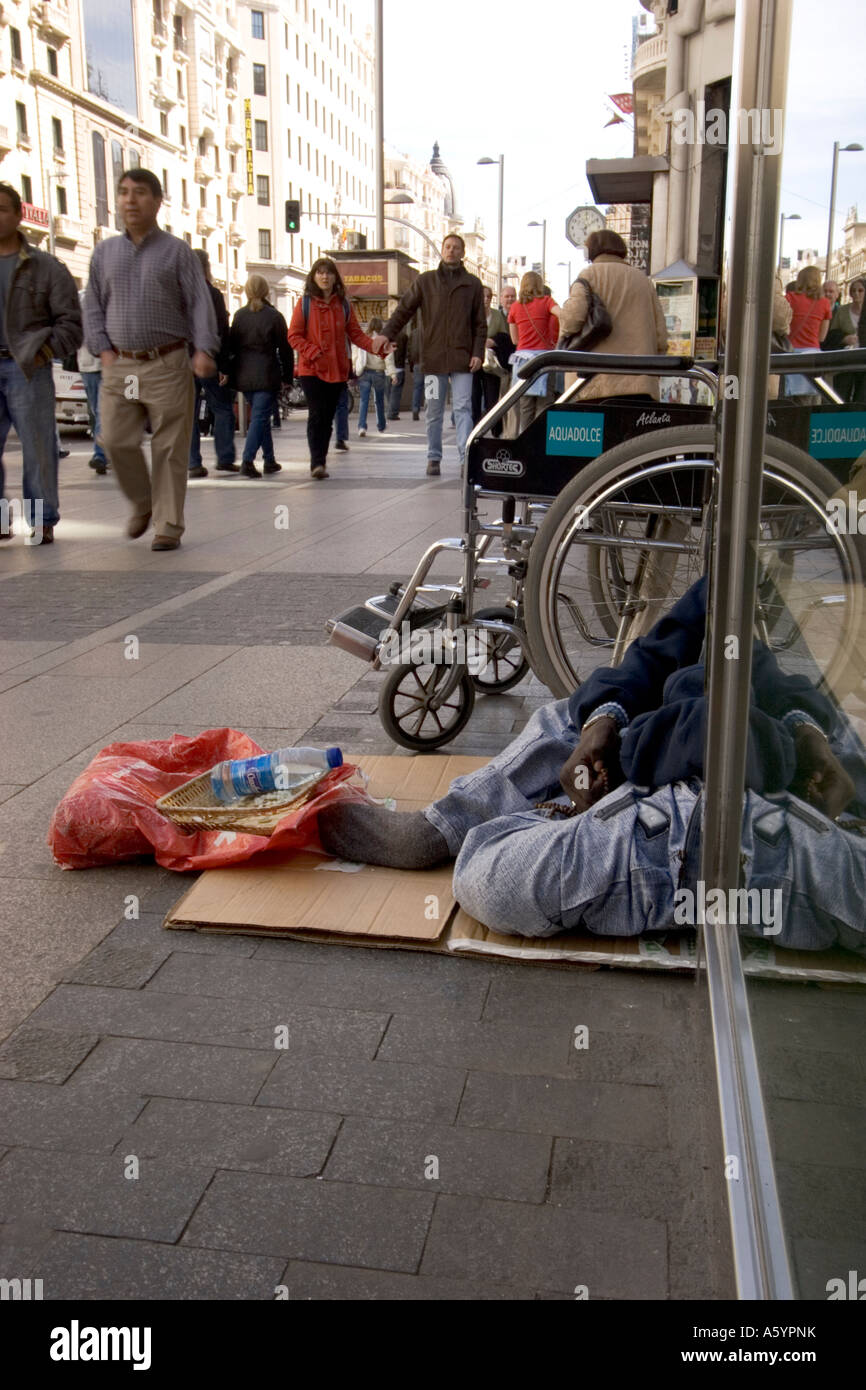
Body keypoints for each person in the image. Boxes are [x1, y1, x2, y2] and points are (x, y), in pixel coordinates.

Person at [318, 576, 866, 952]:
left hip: (657, 826)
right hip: (765, 831)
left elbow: (655, 657)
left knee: (569, 719)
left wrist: (598, 729)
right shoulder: (745, 652)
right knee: (781, 697)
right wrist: (805, 729)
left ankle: (442, 827)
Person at [84, 168, 219, 551]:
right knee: (115, 439)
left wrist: (203, 349)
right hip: (122, 365)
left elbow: (198, 304)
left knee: (170, 447)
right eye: (123, 192)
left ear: (157, 201)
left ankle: (168, 525)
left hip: (166, 363)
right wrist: (104, 350)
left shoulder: (176, 252)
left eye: (139, 192)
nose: (129, 200)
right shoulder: (104, 253)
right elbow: (92, 306)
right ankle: (144, 502)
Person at [0, 181, 81, 545]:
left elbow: (71, 324)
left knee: (38, 449)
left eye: (2, 209)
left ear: (18, 215)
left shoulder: (46, 267)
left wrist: (42, 354)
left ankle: (40, 519)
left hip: (26, 369)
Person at [381, 234, 486, 477]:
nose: (451, 251)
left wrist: (478, 353)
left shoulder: (472, 284)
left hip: (462, 359)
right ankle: (433, 457)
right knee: (434, 411)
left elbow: (480, 324)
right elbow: (404, 310)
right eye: (447, 247)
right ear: (442, 250)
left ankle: (464, 459)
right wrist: (387, 334)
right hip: (432, 360)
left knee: (463, 408)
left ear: (462, 253)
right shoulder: (425, 281)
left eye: (456, 248)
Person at [287, 258, 387, 480]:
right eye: (320, 273)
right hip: (311, 370)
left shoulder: (343, 304)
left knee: (328, 415)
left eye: (329, 273)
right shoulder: (304, 303)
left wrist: (376, 346)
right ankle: (317, 462)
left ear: (335, 277)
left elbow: (356, 335)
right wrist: (312, 352)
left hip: (336, 369)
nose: (325, 277)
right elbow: (293, 335)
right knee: (317, 414)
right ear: (314, 277)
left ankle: (320, 459)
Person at [557, 229, 667, 403]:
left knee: (589, 429)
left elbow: (572, 321)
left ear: (591, 250)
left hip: (592, 383)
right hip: (639, 384)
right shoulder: (643, 280)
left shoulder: (589, 275)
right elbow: (661, 336)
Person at [227, 275, 293, 479]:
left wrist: (228, 372)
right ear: (266, 291)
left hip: (244, 374)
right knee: (260, 417)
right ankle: (248, 460)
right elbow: (285, 349)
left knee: (260, 417)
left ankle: (270, 459)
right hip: (266, 372)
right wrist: (287, 377)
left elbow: (231, 347)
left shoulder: (239, 316)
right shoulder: (274, 316)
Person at [189, 249, 238, 478]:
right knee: (222, 409)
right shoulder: (213, 294)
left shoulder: (180, 294)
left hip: (184, 363)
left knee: (187, 412)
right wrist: (224, 366)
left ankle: (192, 462)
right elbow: (223, 331)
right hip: (210, 361)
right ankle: (225, 457)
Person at [507, 271, 561, 432]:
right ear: (539, 285)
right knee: (545, 404)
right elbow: (562, 314)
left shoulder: (515, 307)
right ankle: (541, 440)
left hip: (523, 361)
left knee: (525, 406)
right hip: (544, 360)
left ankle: (526, 440)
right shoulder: (546, 301)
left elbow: (514, 340)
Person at [783, 266, 832, 401]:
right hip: (812, 356)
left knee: (790, 401)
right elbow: (822, 337)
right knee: (811, 401)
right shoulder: (825, 303)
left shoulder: (790, 298)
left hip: (791, 354)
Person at [77, 289, 108, 476]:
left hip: (87, 362)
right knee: (102, 412)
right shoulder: (111, 296)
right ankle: (104, 453)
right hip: (105, 362)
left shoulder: (81, 299)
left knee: (99, 412)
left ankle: (101, 454)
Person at [471, 285, 509, 437]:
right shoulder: (471, 315)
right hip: (473, 361)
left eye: (489, 296)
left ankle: (495, 431)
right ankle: (474, 430)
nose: (486, 299)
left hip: (491, 363)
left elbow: (505, 337)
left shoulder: (497, 316)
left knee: (492, 398)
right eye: (483, 296)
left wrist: (493, 340)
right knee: (474, 397)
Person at [356, 315, 388, 436]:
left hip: (365, 372)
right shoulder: (383, 340)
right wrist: (393, 373)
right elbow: (388, 358)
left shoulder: (364, 338)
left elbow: (357, 354)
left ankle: (362, 426)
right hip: (378, 372)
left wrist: (356, 366)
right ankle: (381, 425)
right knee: (379, 401)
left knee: (364, 400)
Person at [386, 330, 407, 420]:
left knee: (389, 392)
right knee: (396, 393)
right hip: (399, 368)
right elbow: (406, 351)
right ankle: (392, 413)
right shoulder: (403, 336)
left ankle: (390, 410)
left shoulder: (387, 336)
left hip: (387, 369)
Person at [407, 317, 425, 420]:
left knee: (417, 388)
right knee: (431, 389)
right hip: (430, 365)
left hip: (417, 364)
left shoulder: (413, 333)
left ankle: (415, 409)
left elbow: (410, 351)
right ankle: (430, 410)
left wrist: (411, 366)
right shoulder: (431, 331)